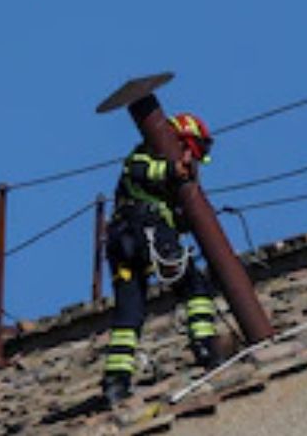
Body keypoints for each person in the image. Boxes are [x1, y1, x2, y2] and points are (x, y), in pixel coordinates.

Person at [101, 113, 222, 406]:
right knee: (195, 285)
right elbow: (148, 170)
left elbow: (175, 214)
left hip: (122, 242)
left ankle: (116, 380)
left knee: (130, 312)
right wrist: (173, 170)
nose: (191, 158)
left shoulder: (149, 173)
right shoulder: (144, 158)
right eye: (192, 150)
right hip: (148, 231)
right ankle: (206, 347)